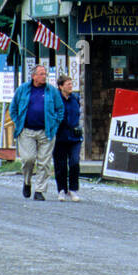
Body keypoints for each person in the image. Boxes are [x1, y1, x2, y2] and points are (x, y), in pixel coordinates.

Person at [11, 65, 63, 201]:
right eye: (41, 74)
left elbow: (60, 109)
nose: (44, 76)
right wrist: (18, 123)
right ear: (33, 76)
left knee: (44, 162)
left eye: (45, 74)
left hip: (47, 132)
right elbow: (13, 108)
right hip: (27, 130)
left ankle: (40, 190)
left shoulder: (52, 91)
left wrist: (55, 124)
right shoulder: (23, 89)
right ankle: (27, 181)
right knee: (28, 159)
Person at [53, 74, 83, 202]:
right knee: (61, 164)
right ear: (61, 87)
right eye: (68, 84)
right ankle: (61, 189)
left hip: (75, 137)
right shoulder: (56, 100)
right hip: (60, 137)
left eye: (71, 84)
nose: (71, 86)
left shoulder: (75, 98)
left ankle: (73, 189)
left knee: (75, 162)